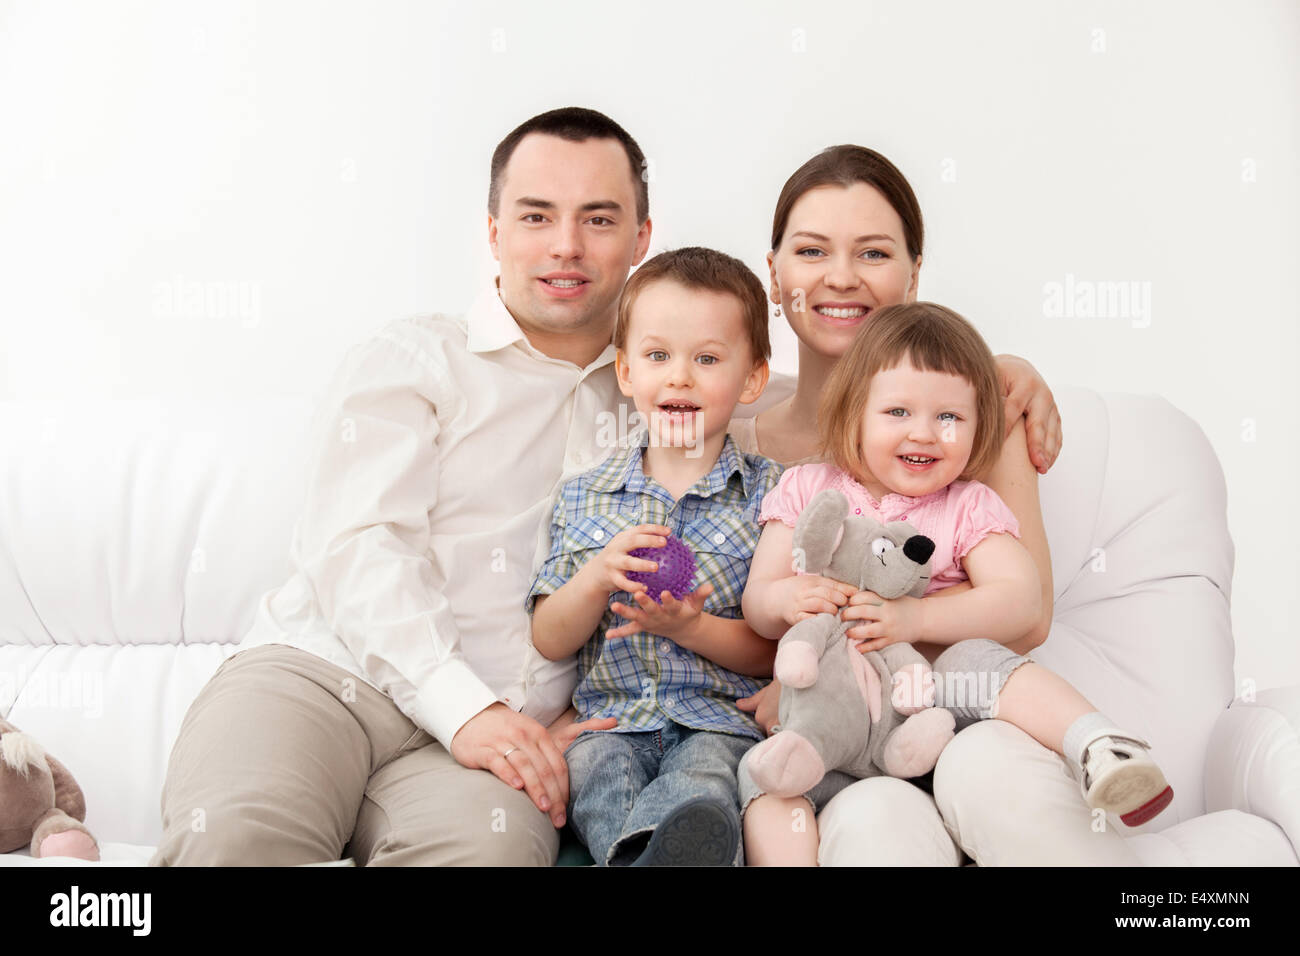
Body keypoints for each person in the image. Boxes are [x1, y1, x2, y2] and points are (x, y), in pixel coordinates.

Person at [151, 106, 660, 866]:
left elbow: (822, 417)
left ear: (641, 239)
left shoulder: (671, 388)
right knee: (231, 842)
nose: (566, 245)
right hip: (326, 677)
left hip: (495, 744)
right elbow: (361, 548)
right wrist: (464, 707)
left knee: (491, 859)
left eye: (598, 218)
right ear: (493, 232)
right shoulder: (416, 358)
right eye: (536, 216)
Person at [732, 144, 1145, 866]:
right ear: (774, 273)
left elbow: (1025, 615)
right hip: (829, 745)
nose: (840, 276)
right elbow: (751, 603)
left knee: (990, 775)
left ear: (914, 275)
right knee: (871, 821)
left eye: (873, 253)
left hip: (961, 712)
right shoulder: (725, 431)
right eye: (811, 250)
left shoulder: (976, 423)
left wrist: (880, 647)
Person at [528, 246, 780, 865]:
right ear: (625, 370)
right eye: (658, 355)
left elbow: (770, 649)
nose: (680, 377)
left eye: (708, 359)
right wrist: (594, 579)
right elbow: (549, 638)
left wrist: (692, 628)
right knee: (594, 774)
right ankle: (645, 853)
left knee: (703, 784)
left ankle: (667, 849)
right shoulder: (585, 495)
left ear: (752, 377)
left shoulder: (773, 495)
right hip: (610, 721)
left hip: (715, 722)